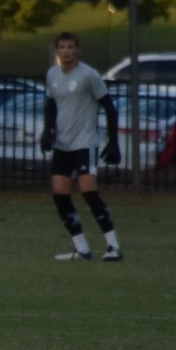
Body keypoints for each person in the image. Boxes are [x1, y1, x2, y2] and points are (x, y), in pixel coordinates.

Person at [38, 32, 123, 262]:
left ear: (78, 50)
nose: (66, 51)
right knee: (60, 194)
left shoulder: (89, 76)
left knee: (89, 192)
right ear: (57, 50)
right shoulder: (52, 74)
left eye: (70, 47)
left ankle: (113, 247)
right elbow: (50, 105)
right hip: (63, 145)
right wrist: (47, 131)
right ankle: (81, 249)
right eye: (62, 47)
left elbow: (110, 108)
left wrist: (113, 142)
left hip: (85, 143)